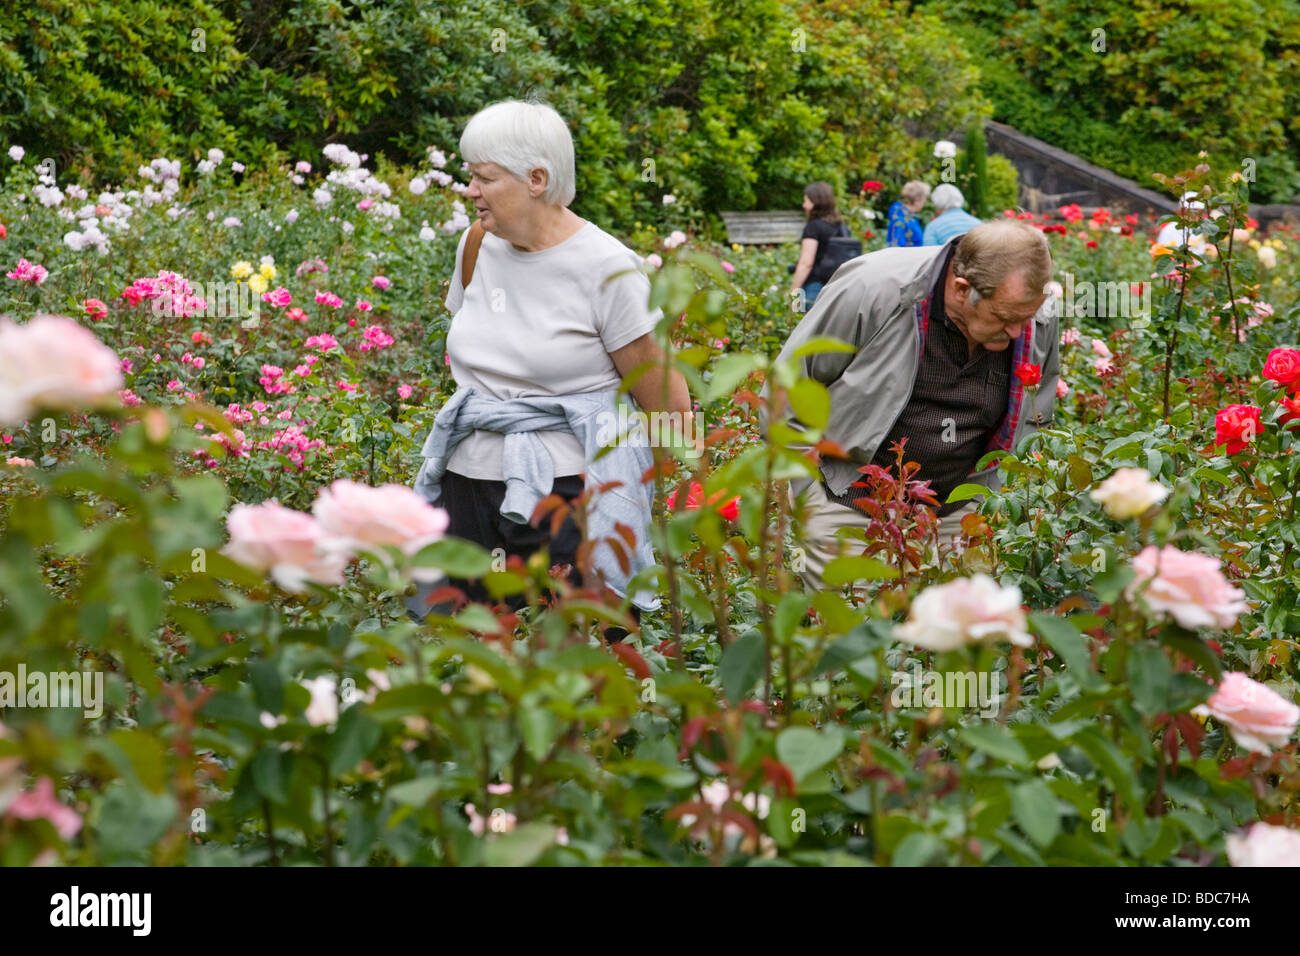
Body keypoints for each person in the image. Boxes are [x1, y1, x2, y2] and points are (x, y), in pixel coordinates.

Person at [407, 99, 693, 640]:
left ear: (536, 179)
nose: (470, 190)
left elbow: (669, 407)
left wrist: (631, 499)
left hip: (572, 497)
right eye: (470, 175)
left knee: (574, 660)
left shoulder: (610, 270)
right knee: (465, 653)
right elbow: (482, 357)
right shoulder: (476, 245)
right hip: (468, 487)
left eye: (484, 178)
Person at [770, 220, 1060, 591]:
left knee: (956, 640)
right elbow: (791, 382)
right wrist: (802, 490)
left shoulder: (1032, 309)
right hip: (849, 502)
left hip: (963, 510)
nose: (1021, 332)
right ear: (961, 290)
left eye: (1028, 318)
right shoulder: (874, 289)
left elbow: (1038, 413)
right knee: (852, 641)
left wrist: (1004, 497)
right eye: (1005, 319)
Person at [789, 182, 851, 309]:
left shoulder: (813, 227)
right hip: (837, 287)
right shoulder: (842, 227)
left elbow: (806, 263)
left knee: (800, 323)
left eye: (806, 201)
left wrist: (794, 293)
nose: (804, 205)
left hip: (813, 288)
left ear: (815, 202)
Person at [886, 181, 930, 247]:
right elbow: (897, 247)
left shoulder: (907, 215)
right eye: (924, 199)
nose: (924, 202)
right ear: (917, 200)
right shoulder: (901, 219)